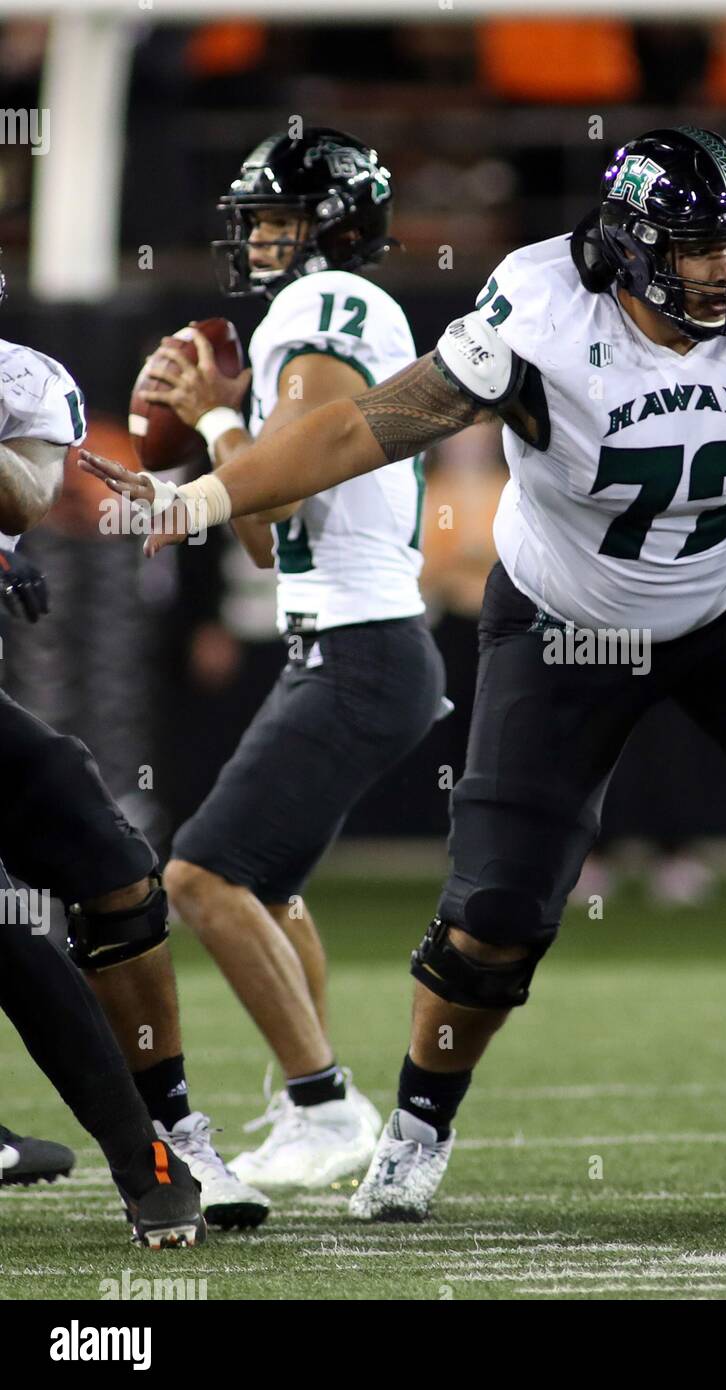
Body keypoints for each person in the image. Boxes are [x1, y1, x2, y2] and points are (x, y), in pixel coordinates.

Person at [84, 126, 726, 1222]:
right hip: (563, 616)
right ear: (627, 247)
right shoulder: (541, 312)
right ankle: (417, 1130)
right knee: (495, 916)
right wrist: (202, 496)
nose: (722, 267)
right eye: (693, 245)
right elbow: (360, 432)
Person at [139, 128, 445, 1188]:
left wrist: (219, 429)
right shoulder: (321, 315)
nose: (262, 239)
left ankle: (325, 1102)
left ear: (335, 227)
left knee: (198, 874)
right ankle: (315, 1102)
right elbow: (273, 527)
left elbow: (285, 486)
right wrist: (227, 424)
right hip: (360, 641)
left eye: (279, 220)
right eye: (258, 221)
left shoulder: (321, 312)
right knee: (264, 889)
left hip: (362, 648)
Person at [0, 297, 206, 1246]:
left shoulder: (24, 379)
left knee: (114, 866)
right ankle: (142, 1158)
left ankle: (174, 1120)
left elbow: (24, 493)